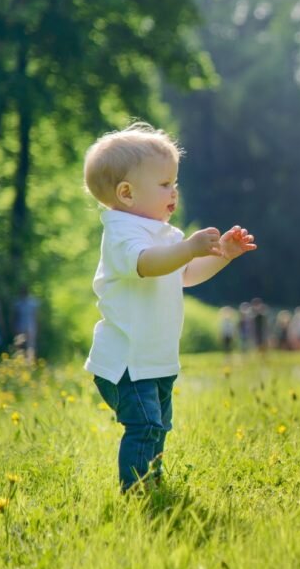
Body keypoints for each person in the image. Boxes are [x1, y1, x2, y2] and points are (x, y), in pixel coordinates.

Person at [83, 122, 257, 492]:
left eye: (174, 183)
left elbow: (187, 274)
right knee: (144, 425)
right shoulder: (121, 234)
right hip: (127, 362)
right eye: (164, 184)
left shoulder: (167, 236)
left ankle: (152, 481)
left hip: (156, 358)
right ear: (127, 194)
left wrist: (222, 254)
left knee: (159, 425)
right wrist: (187, 249)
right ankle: (136, 491)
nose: (174, 192)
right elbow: (146, 265)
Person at [12, 285, 40, 362]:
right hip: (20, 328)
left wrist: (36, 328)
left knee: (30, 347)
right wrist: (14, 328)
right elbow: (15, 317)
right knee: (19, 347)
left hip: (30, 328)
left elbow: (35, 316)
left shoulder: (32, 303)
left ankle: (30, 363)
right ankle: (20, 363)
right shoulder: (18, 303)